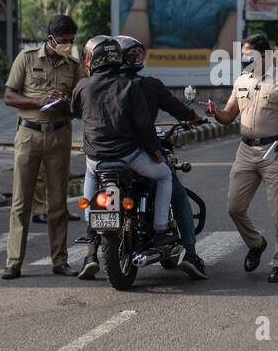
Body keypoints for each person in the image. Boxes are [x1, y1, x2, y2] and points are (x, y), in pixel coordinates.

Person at [80, 34, 208, 278]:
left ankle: (90, 248)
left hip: (100, 155)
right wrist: (159, 147)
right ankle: (189, 252)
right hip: (137, 153)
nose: (134, 59)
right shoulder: (141, 85)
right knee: (175, 190)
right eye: (131, 55)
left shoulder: (94, 84)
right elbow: (150, 122)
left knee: (92, 177)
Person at [205, 33, 278, 283]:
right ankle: (256, 243)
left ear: (266, 55)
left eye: (249, 54)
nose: (245, 58)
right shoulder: (241, 80)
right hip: (245, 151)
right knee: (234, 206)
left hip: (273, 151)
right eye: (243, 54)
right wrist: (213, 112)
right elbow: (228, 116)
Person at [71, 36, 177, 264]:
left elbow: (76, 112)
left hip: (97, 159)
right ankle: (160, 229)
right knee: (165, 174)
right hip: (129, 157)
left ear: (91, 60)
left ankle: (91, 227)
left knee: (90, 173)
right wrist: (155, 150)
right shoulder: (128, 86)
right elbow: (144, 124)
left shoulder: (82, 86)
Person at [1, 15, 82, 281]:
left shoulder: (73, 67)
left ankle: (59, 261)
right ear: (51, 39)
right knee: (21, 202)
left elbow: (81, 103)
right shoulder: (26, 59)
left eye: (71, 41)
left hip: (59, 136)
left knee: (57, 202)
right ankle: (14, 262)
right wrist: (38, 101)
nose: (67, 46)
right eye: (63, 41)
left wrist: (66, 103)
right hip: (29, 135)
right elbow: (9, 96)